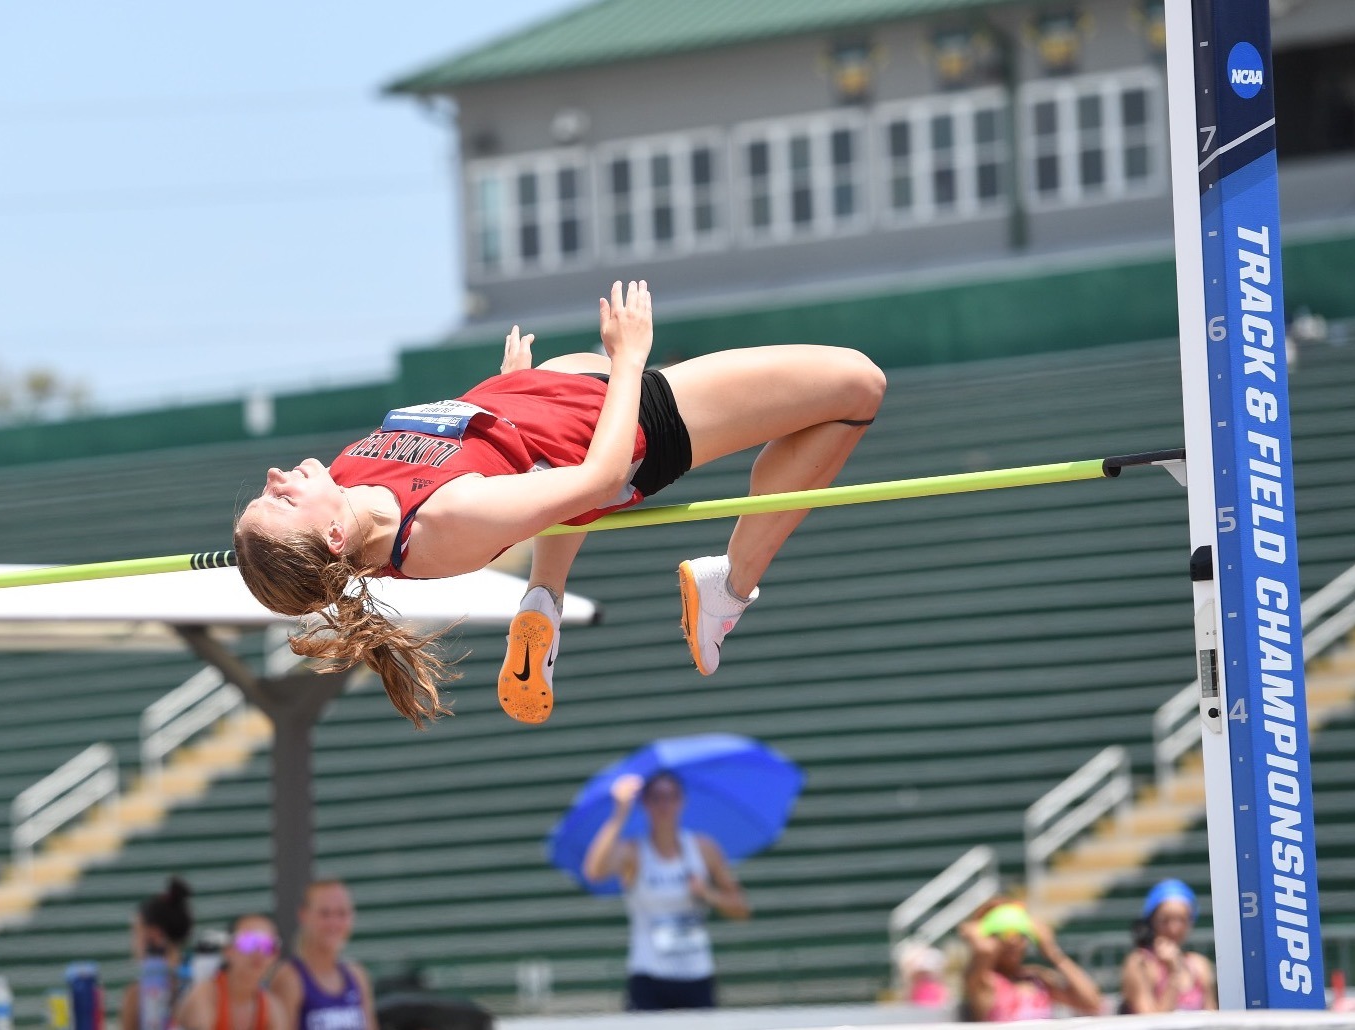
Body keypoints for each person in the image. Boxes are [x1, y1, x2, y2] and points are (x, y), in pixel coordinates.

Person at [234, 280, 884, 727]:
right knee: (856, 384)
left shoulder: (350, 475)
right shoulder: (440, 526)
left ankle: (543, 596)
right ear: (334, 542)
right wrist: (628, 358)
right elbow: (598, 481)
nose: (273, 476)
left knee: (540, 487)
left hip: (549, 398)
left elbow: (462, 443)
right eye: (278, 501)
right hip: (626, 423)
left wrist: (504, 384)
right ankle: (730, 588)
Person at [581, 771, 750, 1011]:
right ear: (645, 804)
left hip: (697, 976)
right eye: (657, 798)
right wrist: (619, 814)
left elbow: (741, 909)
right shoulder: (634, 852)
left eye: (671, 797)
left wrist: (708, 894)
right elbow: (594, 870)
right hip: (649, 977)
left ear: (682, 802)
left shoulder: (703, 848)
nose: (665, 805)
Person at [960, 900, 1103, 1021]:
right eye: (1001, 933)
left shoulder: (1037, 979)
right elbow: (985, 952)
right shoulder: (983, 983)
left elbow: (1091, 1002)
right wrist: (980, 940)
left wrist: (1052, 952)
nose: (1013, 941)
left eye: (1020, 933)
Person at [269, 881, 376, 1030]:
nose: (334, 923)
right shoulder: (290, 978)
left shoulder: (357, 975)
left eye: (342, 913)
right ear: (303, 915)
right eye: (324, 914)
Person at [1120, 879, 1217, 1012]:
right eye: (1165, 920)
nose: (1173, 929)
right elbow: (1150, 1023)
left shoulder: (1200, 965)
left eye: (1181, 920)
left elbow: (1213, 1018)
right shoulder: (1140, 963)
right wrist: (1173, 974)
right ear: (1151, 921)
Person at [175, 914, 282, 1030]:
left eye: (267, 945)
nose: (258, 953)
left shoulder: (272, 1008)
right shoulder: (206, 997)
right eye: (249, 942)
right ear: (227, 949)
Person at [123, 877, 197, 1030]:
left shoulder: (137, 993)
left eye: (135, 932)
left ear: (153, 936)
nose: (133, 943)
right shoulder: (206, 980)